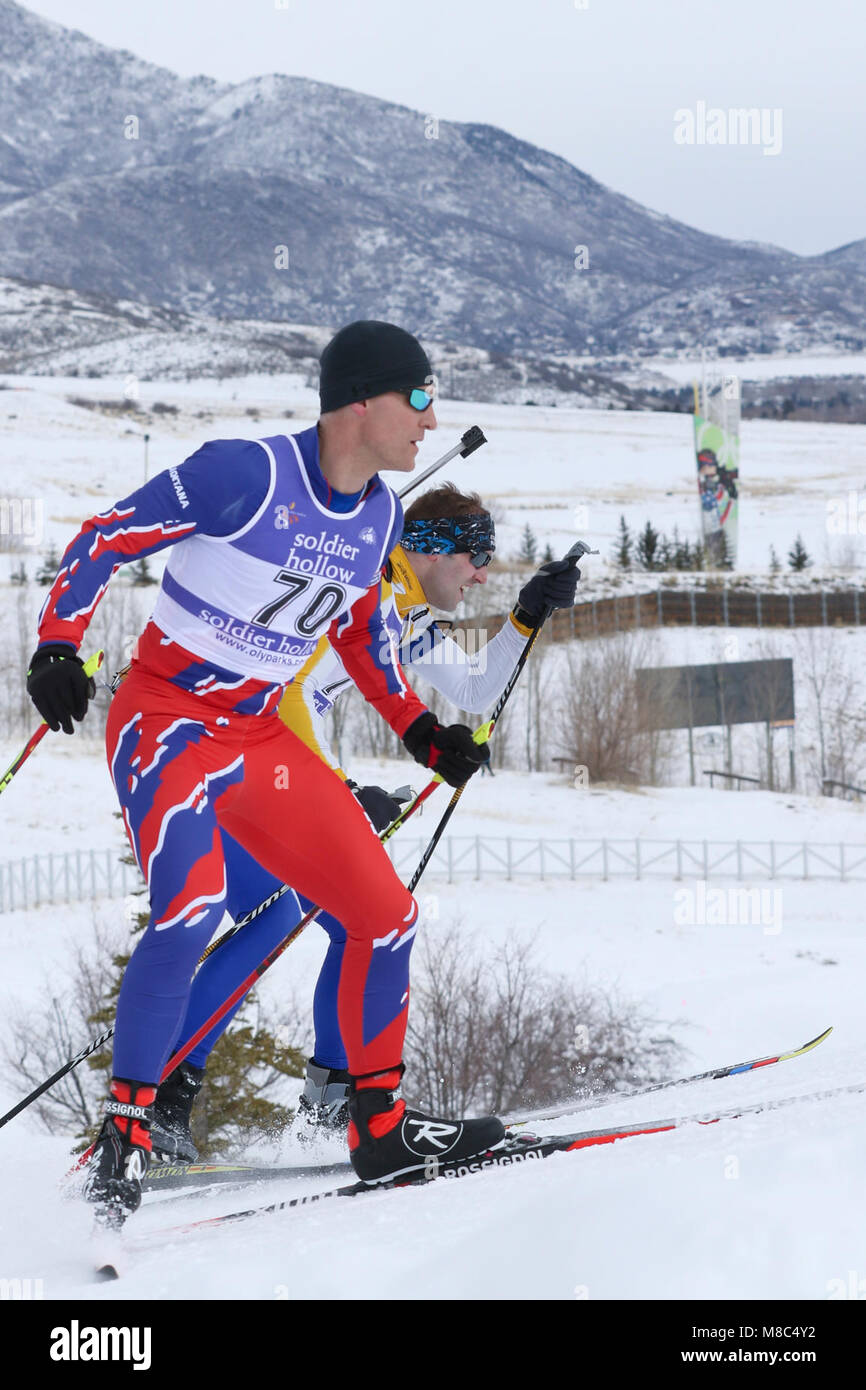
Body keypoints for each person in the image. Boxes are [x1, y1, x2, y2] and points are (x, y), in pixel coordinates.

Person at [26, 321, 511, 1229]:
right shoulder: (244, 473)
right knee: (192, 908)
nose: (430, 418)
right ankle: (125, 1139)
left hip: (256, 737)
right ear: (359, 403)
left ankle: (379, 1125)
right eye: (418, 398)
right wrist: (57, 644)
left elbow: (361, 633)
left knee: (385, 915)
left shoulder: (375, 518)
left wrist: (419, 731)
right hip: (167, 720)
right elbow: (105, 538)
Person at [147, 482, 580, 1159]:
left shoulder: (406, 612)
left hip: (273, 766)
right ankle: (166, 1101)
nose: (483, 574)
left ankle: (333, 1097)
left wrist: (526, 615)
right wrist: (339, 788)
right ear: (432, 549)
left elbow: (470, 688)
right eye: (476, 557)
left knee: (358, 919)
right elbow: (284, 688)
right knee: (280, 917)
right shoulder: (361, 587)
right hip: (230, 755)